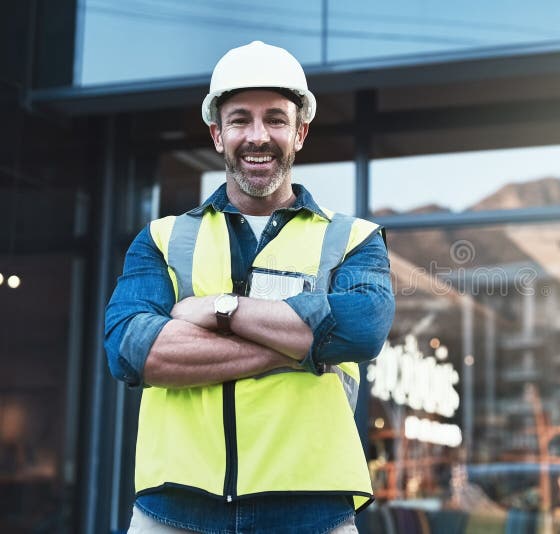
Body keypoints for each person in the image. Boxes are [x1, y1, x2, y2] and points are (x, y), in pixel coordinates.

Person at [104, 41, 395, 534]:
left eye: (275, 120)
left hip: (313, 512)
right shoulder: (163, 238)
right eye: (240, 119)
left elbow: (362, 329)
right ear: (217, 134)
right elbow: (132, 350)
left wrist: (221, 310)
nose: (258, 136)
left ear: (300, 133)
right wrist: (304, 347)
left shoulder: (352, 239)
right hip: (174, 512)